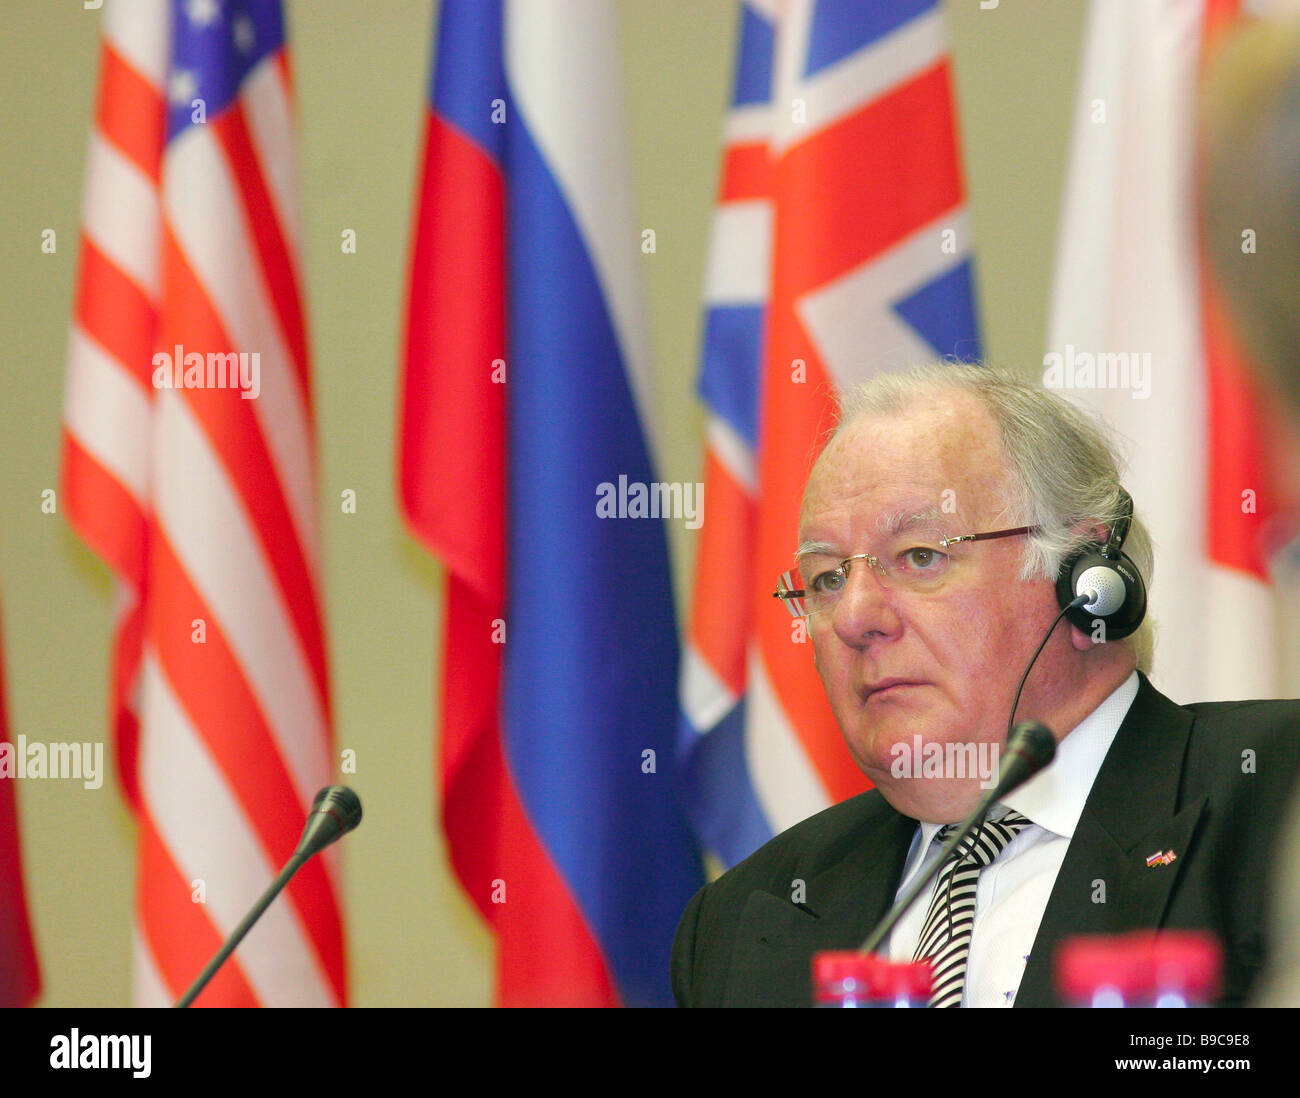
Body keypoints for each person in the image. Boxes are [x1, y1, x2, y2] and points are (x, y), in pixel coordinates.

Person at [670, 363, 1300, 1007]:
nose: (854, 618)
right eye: (828, 578)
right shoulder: (738, 923)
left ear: (1087, 586)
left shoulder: (1279, 797)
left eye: (921, 556)